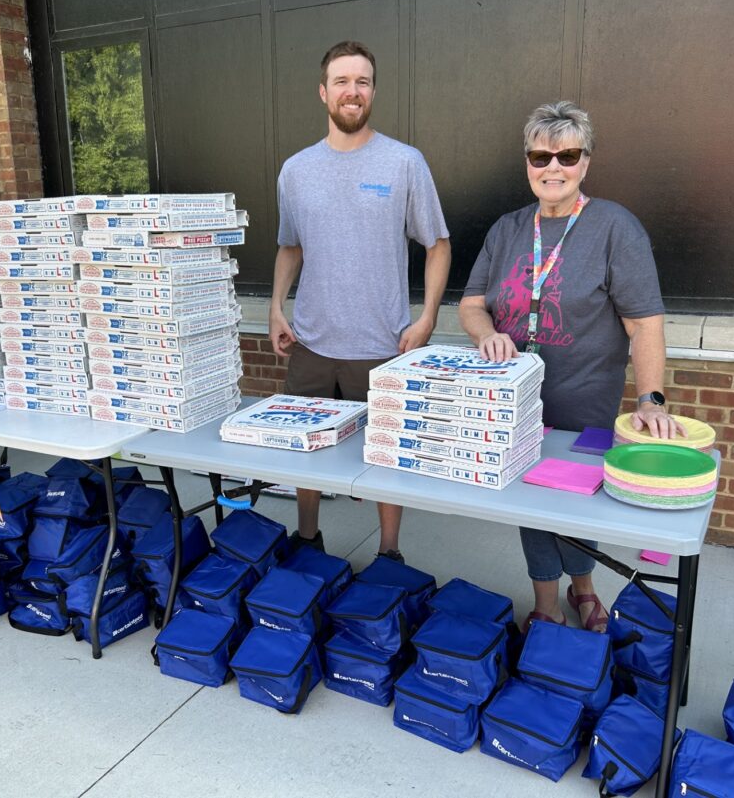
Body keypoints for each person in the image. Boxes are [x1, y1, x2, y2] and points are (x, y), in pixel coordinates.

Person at [459, 100, 683, 632]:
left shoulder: (614, 228)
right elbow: (471, 304)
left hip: (585, 402)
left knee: (576, 503)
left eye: (567, 155)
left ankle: (584, 588)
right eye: (540, 156)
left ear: (585, 163)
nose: (552, 167)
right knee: (529, 503)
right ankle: (544, 600)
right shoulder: (507, 230)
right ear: (527, 164)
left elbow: (645, 323)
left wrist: (650, 399)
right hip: (516, 404)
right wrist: (488, 332)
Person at [269, 41, 452, 564]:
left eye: (363, 82)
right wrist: (277, 307)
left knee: (383, 458)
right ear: (324, 92)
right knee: (304, 451)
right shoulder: (296, 170)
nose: (353, 91)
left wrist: (428, 317)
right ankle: (308, 539)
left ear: (373, 91)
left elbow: (437, 244)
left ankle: (388, 553)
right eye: (343, 81)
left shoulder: (403, 162)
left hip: (382, 343)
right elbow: (290, 244)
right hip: (311, 340)